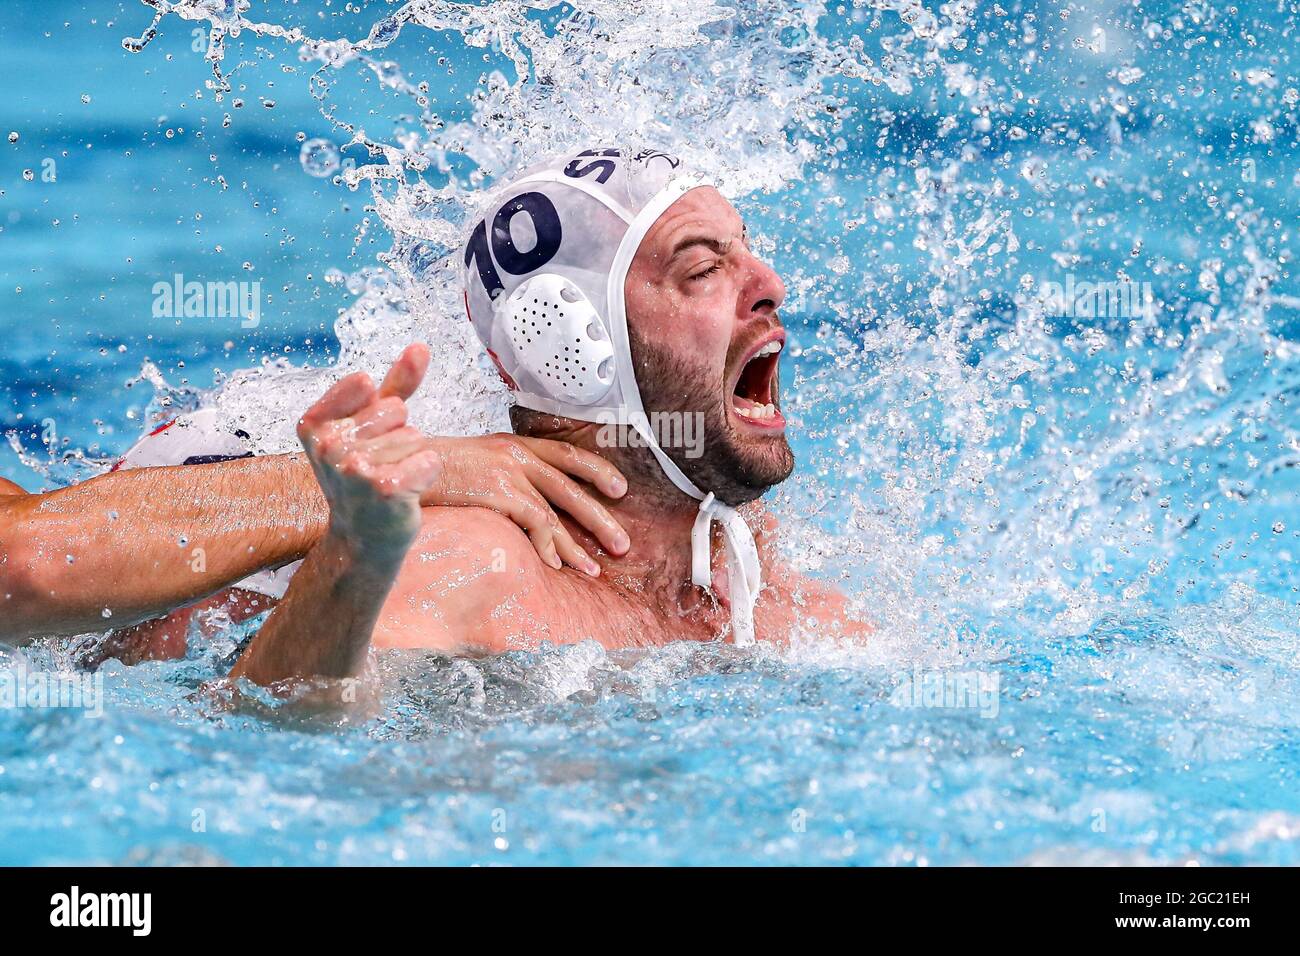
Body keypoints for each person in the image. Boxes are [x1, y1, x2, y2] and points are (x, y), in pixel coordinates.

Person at [225, 147, 867, 688]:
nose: (770, 283)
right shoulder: (476, 568)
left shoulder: (797, 612)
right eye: (702, 268)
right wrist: (357, 553)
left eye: (748, 252)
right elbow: (289, 716)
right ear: (573, 346)